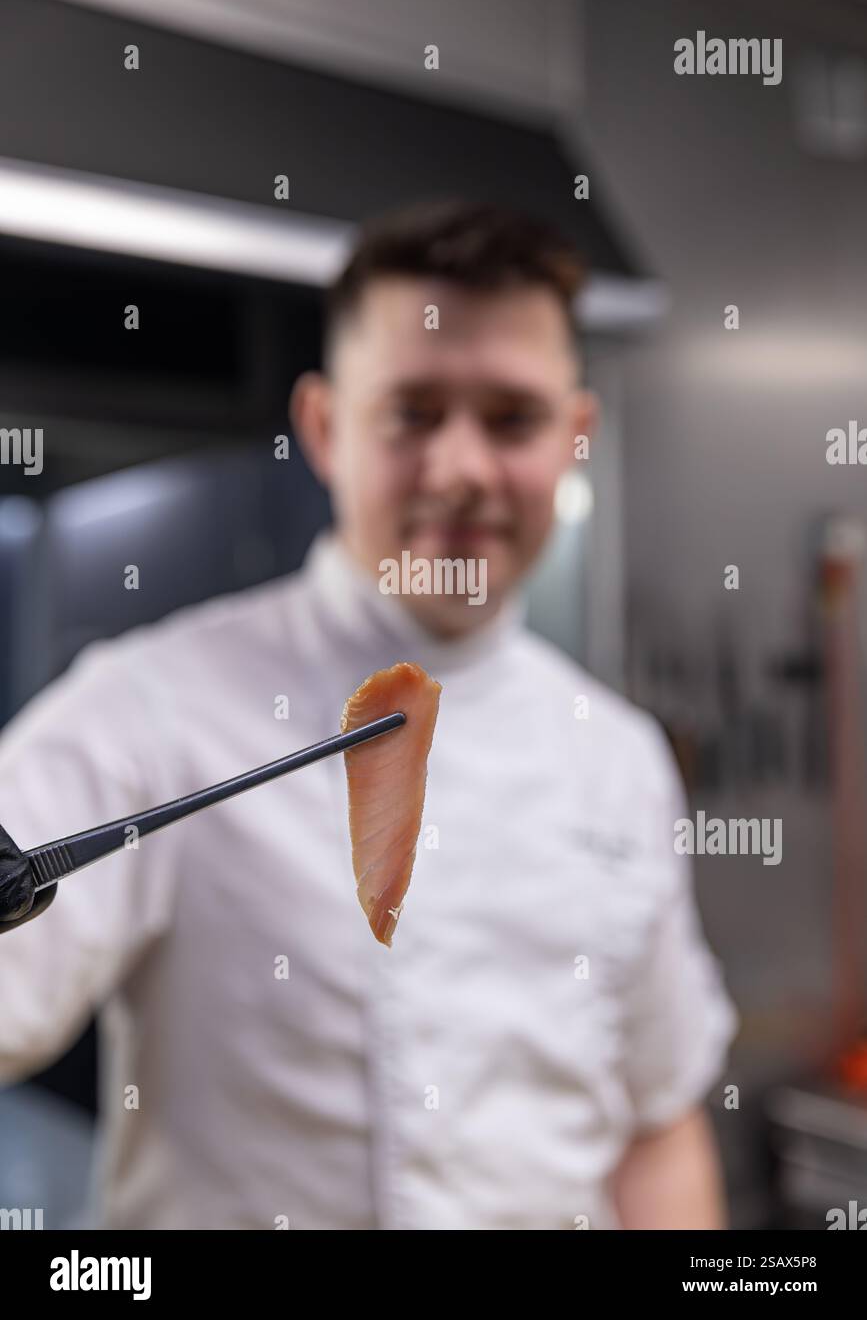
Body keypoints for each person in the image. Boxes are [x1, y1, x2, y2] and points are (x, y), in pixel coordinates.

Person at [0, 200, 738, 1230]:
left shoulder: (619, 757)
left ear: (576, 436)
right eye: (414, 413)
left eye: (513, 419)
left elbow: (657, 1123)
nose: (464, 470)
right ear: (324, 427)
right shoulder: (146, 706)